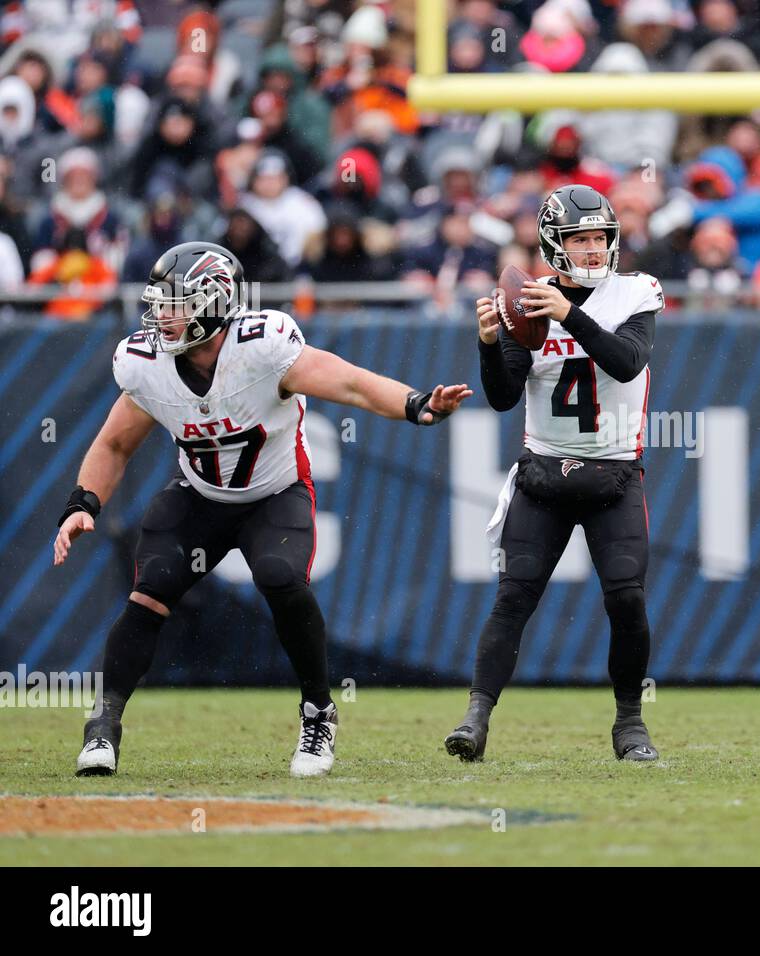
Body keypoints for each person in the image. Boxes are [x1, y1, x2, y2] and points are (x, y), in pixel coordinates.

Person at [53, 241, 471, 778]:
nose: (163, 316)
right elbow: (114, 444)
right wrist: (82, 503)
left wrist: (417, 405)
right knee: (151, 589)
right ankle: (103, 724)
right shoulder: (146, 364)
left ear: (214, 302)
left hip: (275, 494)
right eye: (159, 303)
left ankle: (318, 713)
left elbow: (347, 382)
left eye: (176, 304)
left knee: (280, 577)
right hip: (200, 496)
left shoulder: (262, 347)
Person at [446, 184, 664, 763]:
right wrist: (490, 342)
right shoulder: (529, 301)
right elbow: (501, 396)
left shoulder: (634, 292)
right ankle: (475, 718)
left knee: (626, 599)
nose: (593, 249)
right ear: (553, 244)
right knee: (513, 597)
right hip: (542, 475)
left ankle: (630, 724)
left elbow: (626, 361)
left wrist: (570, 314)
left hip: (614, 474)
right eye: (579, 238)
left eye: (600, 238)